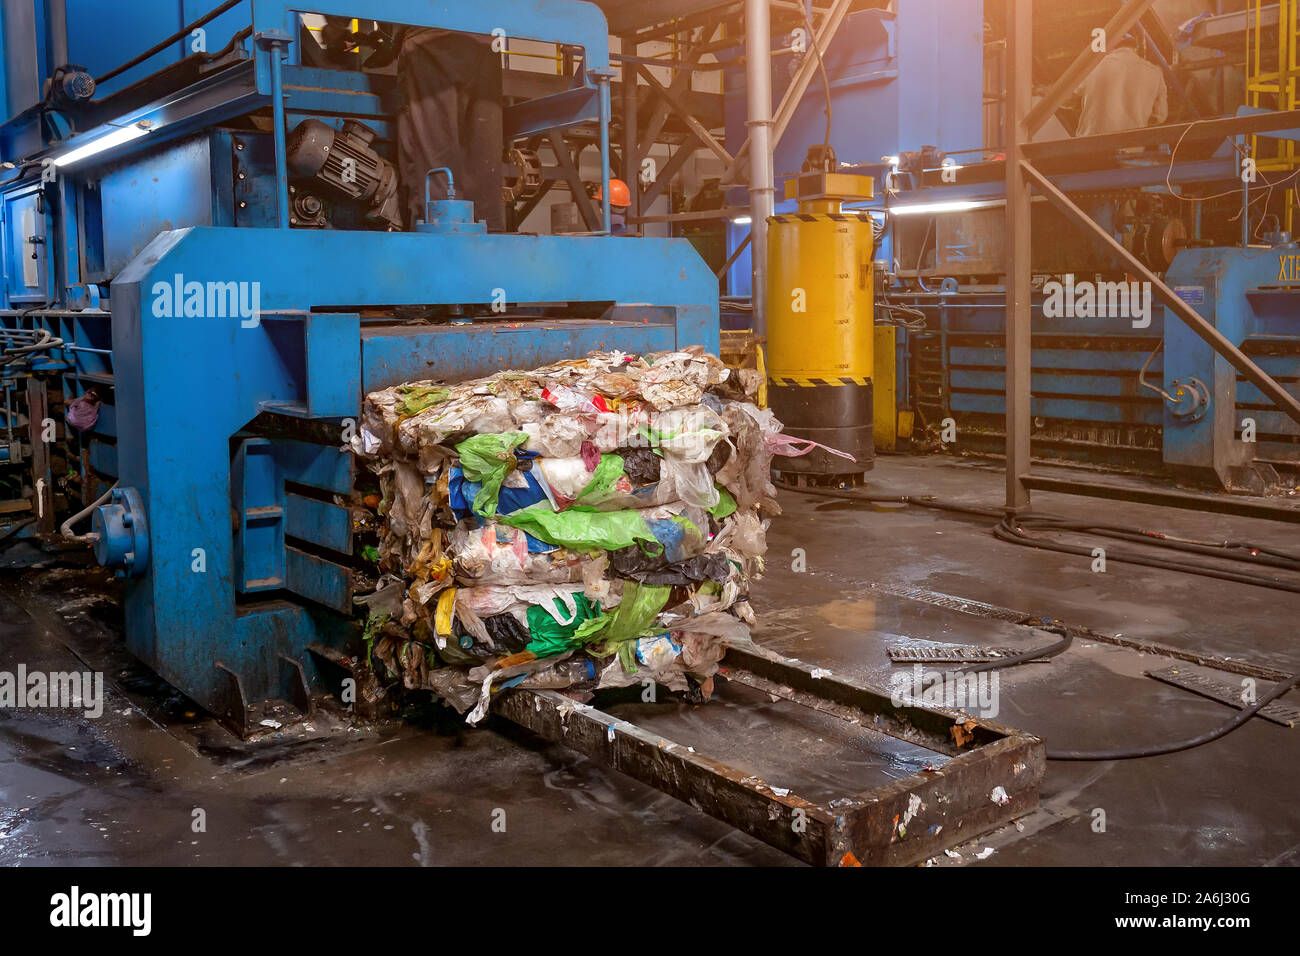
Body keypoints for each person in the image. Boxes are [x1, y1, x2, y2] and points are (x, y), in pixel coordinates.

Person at [396, 28, 506, 232]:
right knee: (485, 169)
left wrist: (338, 26)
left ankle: (438, 259)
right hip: (486, 39)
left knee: (436, 178)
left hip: (429, 32)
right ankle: (490, 256)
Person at [1074, 35, 1168, 137]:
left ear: (1110, 47)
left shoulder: (1094, 66)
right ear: (1135, 49)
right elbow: (1160, 116)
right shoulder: (1155, 72)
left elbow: (1067, 98)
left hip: (1092, 142)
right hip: (1132, 145)